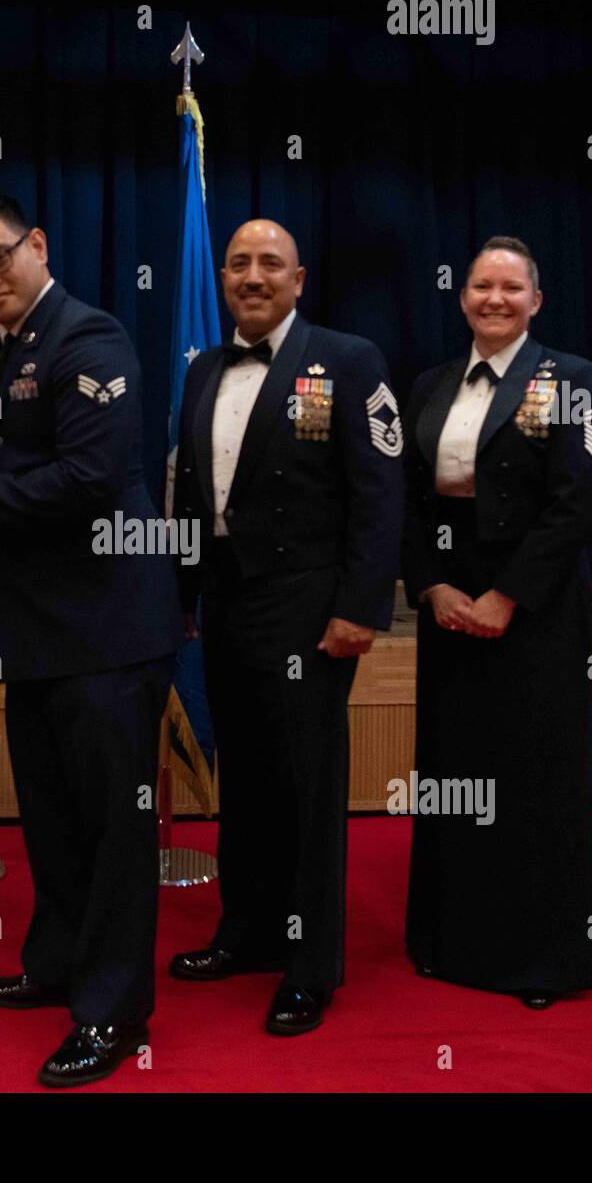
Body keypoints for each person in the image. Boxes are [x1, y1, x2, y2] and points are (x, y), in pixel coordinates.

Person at [0, 194, 180, 1087]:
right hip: (43, 632)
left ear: (38, 244)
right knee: (55, 817)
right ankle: (60, 962)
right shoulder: (13, 347)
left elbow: (93, 479)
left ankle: (111, 1012)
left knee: (113, 830)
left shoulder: (88, 336)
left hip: (107, 630)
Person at [168, 220, 404, 1035]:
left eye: (271, 263)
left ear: (299, 278)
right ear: (224, 279)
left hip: (308, 607)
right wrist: (182, 596)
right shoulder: (201, 368)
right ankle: (247, 932)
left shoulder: (348, 360)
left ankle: (311, 965)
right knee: (248, 782)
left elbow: (380, 495)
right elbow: (190, 494)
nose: (253, 275)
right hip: (227, 603)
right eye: (239, 264)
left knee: (306, 788)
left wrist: (360, 607)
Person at [401, 235, 592, 1009]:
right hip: (449, 602)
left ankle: (540, 957)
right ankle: (448, 940)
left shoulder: (575, 380)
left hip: (538, 606)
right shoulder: (428, 385)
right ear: (462, 297)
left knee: (535, 779)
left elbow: (576, 506)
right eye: (482, 286)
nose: (495, 299)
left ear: (536, 302)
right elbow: (408, 501)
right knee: (454, 774)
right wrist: (430, 588)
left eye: (512, 288)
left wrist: (506, 597)